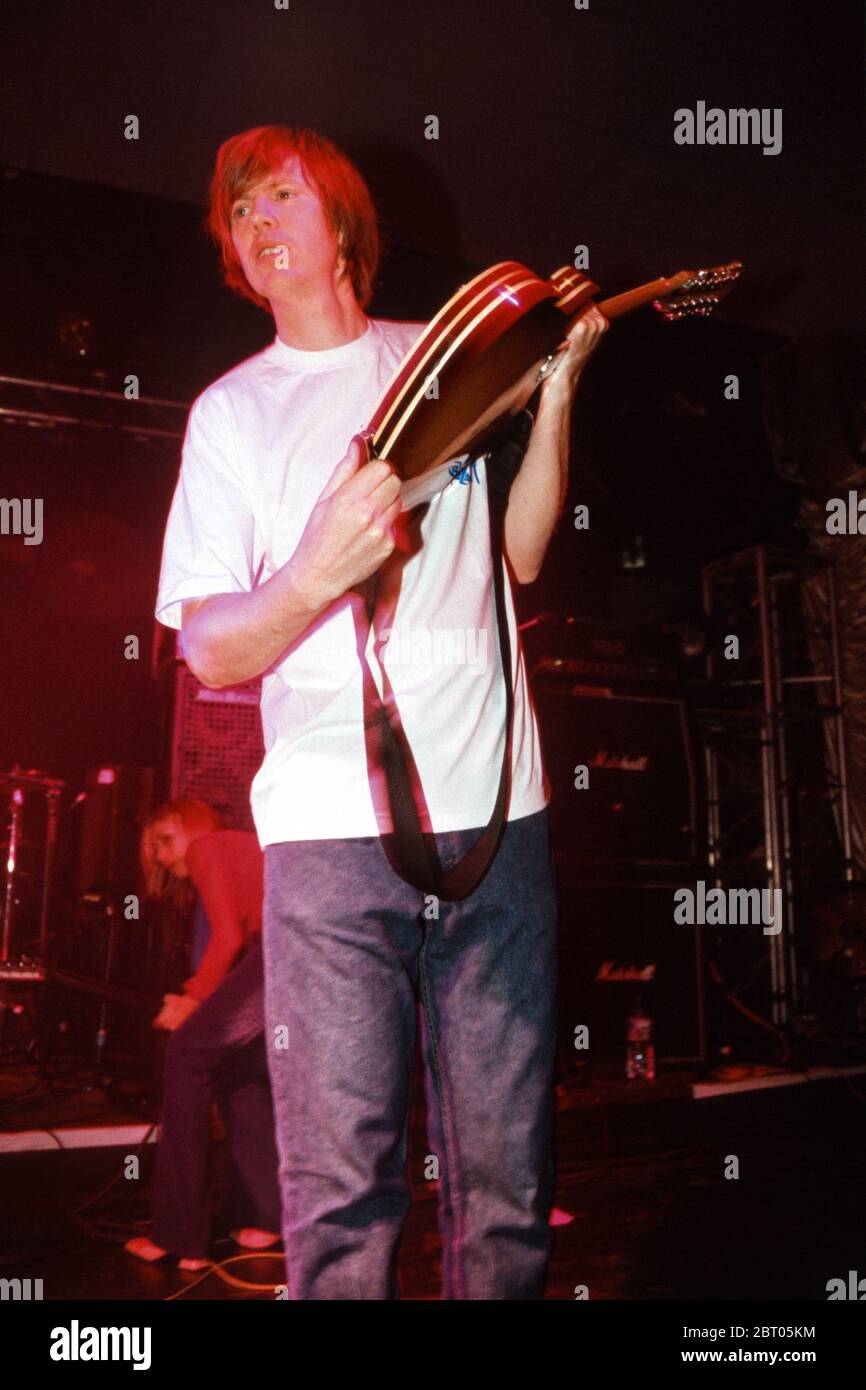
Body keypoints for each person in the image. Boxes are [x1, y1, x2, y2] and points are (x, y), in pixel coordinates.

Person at [155, 124, 607, 1299]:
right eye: (239, 210)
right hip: (325, 836)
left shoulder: (441, 358)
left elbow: (519, 554)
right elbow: (209, 647)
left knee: (505, 1178)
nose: (257, 222)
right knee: (339, 1188)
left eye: (279, 195)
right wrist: (312, 575)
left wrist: (555, 390)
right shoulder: (232, 414)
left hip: (496, 817)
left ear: (344, 222)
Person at [125, 798, 281, 1270]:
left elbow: (228, 938)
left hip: (282, 951)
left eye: (162, 841)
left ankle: (179, 1238)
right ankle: (268, 1215)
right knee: (238, 1070)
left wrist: (191, 1001)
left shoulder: (207, 847)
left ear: (183, 825)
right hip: (292, 952)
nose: (159, 856)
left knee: (185, 1055)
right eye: (154, 848)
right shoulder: (234, 849)